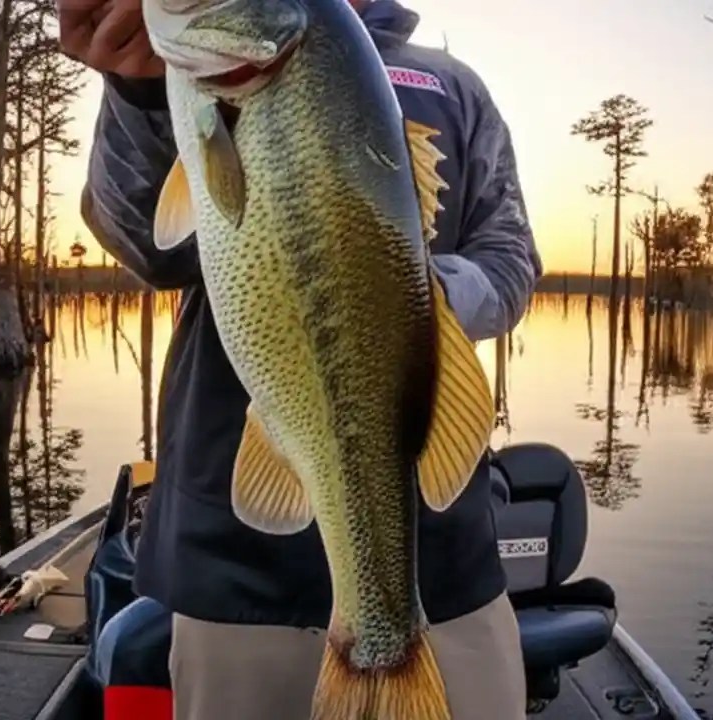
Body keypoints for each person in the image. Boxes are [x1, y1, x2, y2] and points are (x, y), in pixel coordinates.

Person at [58, 0, 544, 718]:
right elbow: (146, 241)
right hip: (232, 562)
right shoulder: (180, 70)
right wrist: (133, 88)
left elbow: (510, 263)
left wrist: (392, 295)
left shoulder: (452, 85)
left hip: (445, 568)